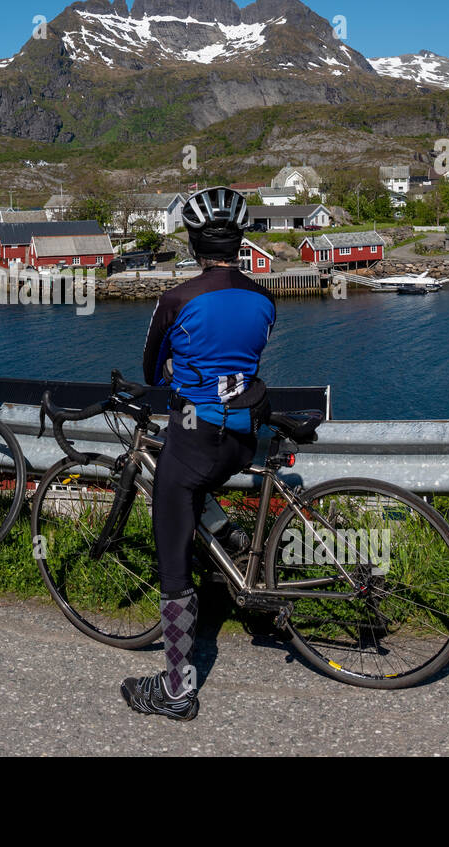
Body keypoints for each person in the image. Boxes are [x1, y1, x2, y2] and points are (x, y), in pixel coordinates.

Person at [121, 186, 277, 721]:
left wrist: (176, 371)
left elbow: (149, 368)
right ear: (240, 242)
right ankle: (232, 542)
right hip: (242, 439)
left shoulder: (178, 299)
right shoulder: (265, 298)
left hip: (194, 438)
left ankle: (176, 690)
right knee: (205, 486)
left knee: (172, 556)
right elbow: (245, 356)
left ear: (192, 243)